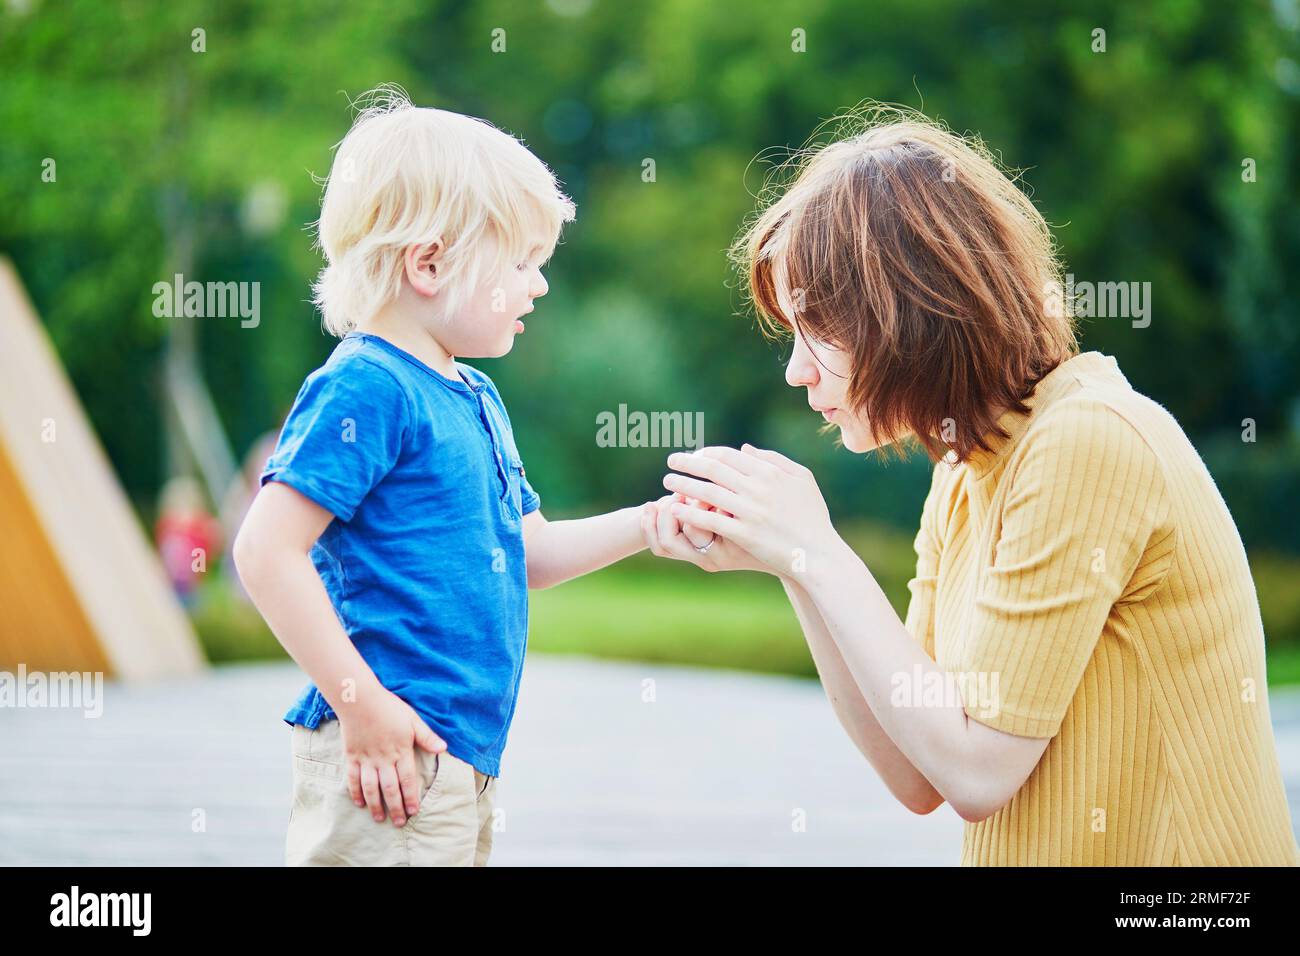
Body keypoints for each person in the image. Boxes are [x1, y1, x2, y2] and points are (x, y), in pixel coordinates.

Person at [642, 107, 1300, 866]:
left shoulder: (1086, 441)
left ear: (910, 310)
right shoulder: (966, 468)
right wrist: (794, 564)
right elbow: (919, 768)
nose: (796, 369)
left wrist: (819, 552)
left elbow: (977, 771)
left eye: (818, 328)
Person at [233, 87, 655, 866]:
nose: (540, 284)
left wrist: (650, 524)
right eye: (524, 263)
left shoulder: (474, 395)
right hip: (387, 756)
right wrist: (363, 710)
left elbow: (531, 556)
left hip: (457, 758)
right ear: (428, 263)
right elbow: (266, 552)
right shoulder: (368, 385)